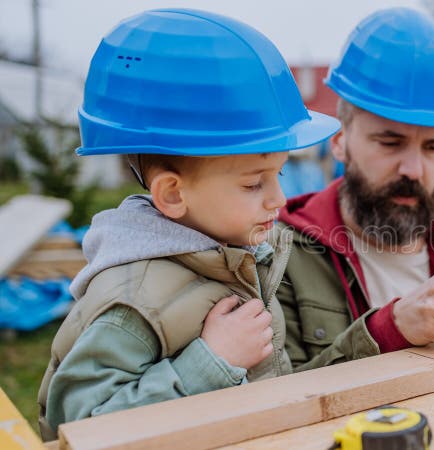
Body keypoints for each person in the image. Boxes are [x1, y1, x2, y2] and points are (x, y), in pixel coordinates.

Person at [37, 8, 340, 439]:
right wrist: (211, 361)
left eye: (279, 174)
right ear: (174, 195)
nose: (279, 199)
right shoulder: (134, 299)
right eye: (254, 183)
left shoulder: (236, 253)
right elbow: (79, 425)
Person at [275, 7, 434, 371]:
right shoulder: (279, 260)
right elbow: (273, 402)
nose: (414, 170)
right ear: (339, 142)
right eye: (390, 143)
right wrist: (389, 331)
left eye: (433, 147)